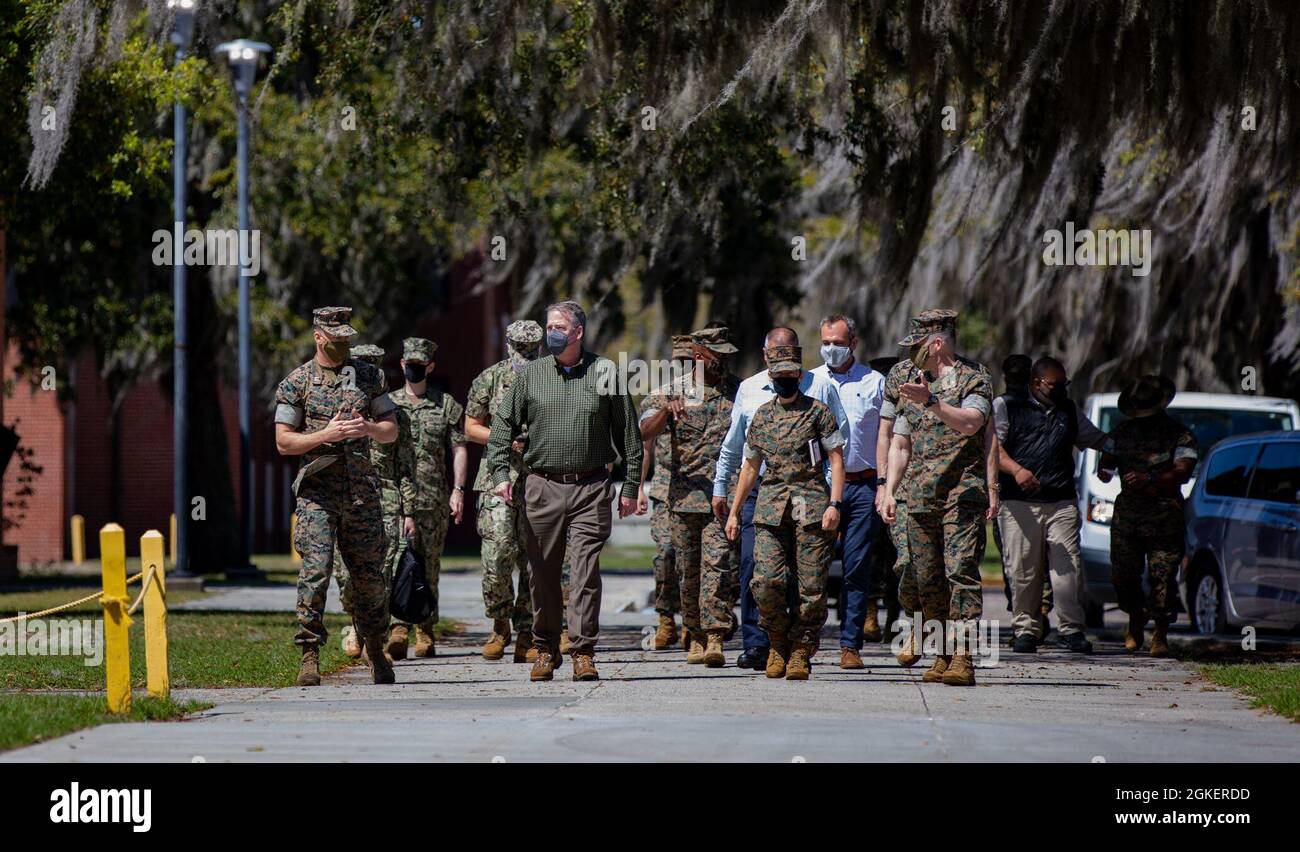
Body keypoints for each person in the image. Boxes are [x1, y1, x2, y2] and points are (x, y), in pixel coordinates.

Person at [486, 300, 642, 682]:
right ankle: (545, 648)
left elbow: (629, 434)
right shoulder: (531, 375)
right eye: (548, 326)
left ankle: (583, 650)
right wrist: (499, 474)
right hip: (542, 486)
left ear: (578, 332)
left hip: (591, 486)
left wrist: (631, 485)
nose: (551, 333)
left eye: (558, 326)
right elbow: (502, 425)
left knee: (585, 572)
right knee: (543, 573)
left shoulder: (606, 372)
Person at [711, 327, 848, 672]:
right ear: (771, 376)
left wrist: (835, 504)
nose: (786, 380)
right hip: (770, 509)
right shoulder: (762, 415)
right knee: (766, 580)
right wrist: (734, 511)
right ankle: (775, 641)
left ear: (799, 376)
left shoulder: (818, 412)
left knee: (811, 586)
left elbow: (836, 459)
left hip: (811, 507)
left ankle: (801, 648)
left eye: (791, 375)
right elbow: (749, 466)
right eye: (780, 375)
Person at [273, 306, 397, 686]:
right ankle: (310, 653)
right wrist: (324, 435)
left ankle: (375, 647)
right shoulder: (298, 383)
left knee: (369, 577)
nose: (344, 345)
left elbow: (391, 430)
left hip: (361, 493)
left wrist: (369, 428)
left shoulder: (369, 376)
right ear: (318, 336)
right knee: (316, 572)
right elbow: (283, 442)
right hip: (318, 496)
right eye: (337, 339)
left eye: (348, 339)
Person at [880, 309, 999, 687]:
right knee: (926, 578)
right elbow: (900, 442)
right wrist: (889, 488)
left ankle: (963, 657)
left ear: (936, 343)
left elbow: (972, 423)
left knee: (960, 572)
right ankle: (942, 654)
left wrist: (931, 401)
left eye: (916, 345)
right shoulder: (910, 380)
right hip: (918, 497)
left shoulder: (973, 378)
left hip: (961, 494)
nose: (911, 353)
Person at [994, 356, 1111, 654]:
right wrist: (1017, 471)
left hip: (1061, 502)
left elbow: (1098, 440)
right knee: (1023, 571)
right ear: (1035, 383)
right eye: (1054, 385)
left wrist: (1114, 452)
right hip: (1019, 504)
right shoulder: (1007, 407)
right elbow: (992, 449)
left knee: (1067, 570)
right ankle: (1025, 629)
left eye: (1064, 384)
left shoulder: (1069, 411)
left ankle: (1071, 630)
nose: (1061, 390)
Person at [641, 326, 741, 667]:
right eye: (719, 356)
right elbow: (644, 433)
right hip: (682, 499)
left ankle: (714, 636)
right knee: (687, 571)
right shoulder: (670, 393)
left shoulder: (739, 392)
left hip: (723, 498)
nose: (725, 361)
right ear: (700, 357)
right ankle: (693, 631)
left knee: (719, 566)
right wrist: (666, 411)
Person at [1099, 375, 1197, 657]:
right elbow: (1105, 463)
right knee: (1122, 575)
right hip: (1128, 517)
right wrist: (1105, 470)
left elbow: (1183, 471)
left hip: (1164, 516)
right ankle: (1135, 615)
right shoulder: (1121, 432)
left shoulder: (1180, 435)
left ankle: (1161, 633)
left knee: (1163, 577)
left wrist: (1150, 477)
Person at [465, 320, 543, 662]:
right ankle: (500, 624)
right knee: (497, 553)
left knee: (533, 557)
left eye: (531, 351)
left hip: (540, 477)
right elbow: (470, 427)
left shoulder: (553, 378)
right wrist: (505, 440)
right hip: (497, 477)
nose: (524, 356)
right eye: (519, 350)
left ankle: (527, 631)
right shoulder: (490, 378)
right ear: (509, 346)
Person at [386, 337, 467, 660]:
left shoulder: (445, 404)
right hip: (395, 497)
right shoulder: (388, 404)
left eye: (420, 365)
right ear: (402, 365)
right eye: (409, 365)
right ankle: (398, 628)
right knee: (396, 563)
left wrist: (458, 490)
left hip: (433, 498)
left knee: (428, 566)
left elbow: (459, 448)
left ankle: (425, 629)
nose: (413, 370)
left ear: (430, 367)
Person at [811, 314, 885, 669]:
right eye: (825, 342)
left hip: (862, 487)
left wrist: (884, 487)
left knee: (856, 568)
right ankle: (802, 642)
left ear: (853, 343)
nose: (830, 349)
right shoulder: (809, 382)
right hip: (817, 487)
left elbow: (889, 439)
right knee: (810, 567)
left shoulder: (875, 382)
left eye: (838, 343)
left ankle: (850, 645)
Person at [333, 343, 414, 659]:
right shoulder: (336, 411)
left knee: (383, 571)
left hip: (386, 498)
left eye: (372, 366)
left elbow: (405, 466)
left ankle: (376, 634)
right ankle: (355, 622)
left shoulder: (394, 416)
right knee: (344, 572)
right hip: (348, 495)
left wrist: (408, 510)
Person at [639, 336, 690, 651]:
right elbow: (645, 444)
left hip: (705, 491)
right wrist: (639, 488)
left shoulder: (720, 396)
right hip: (665, 492)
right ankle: (666, 619)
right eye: (679, 362)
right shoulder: (657, 398)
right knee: (665, 557)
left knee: (697, 562)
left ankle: (694, 622)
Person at [867, 355, 902, 641]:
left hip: (901, 486)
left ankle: (893, 614)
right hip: (869, 483)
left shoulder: (903, 405)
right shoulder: (866, 401)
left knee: (897, 556)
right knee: (869, 554)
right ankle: (869, 612)